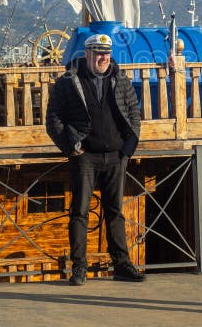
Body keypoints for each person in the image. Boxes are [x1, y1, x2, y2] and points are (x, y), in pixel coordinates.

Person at [45, 33, 144, 286]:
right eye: (99, 53)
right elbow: (53, 118)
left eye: (107, 53)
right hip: (84, 155)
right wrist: (70, 146)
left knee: (115, 212)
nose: (104, 58)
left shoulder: (119, 78)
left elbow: (133, 110)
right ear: (87, 53)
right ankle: (79, 268)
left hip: (115, 154)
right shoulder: (69, 81)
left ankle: (122, 265)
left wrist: (129, 147)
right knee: (79, 212)